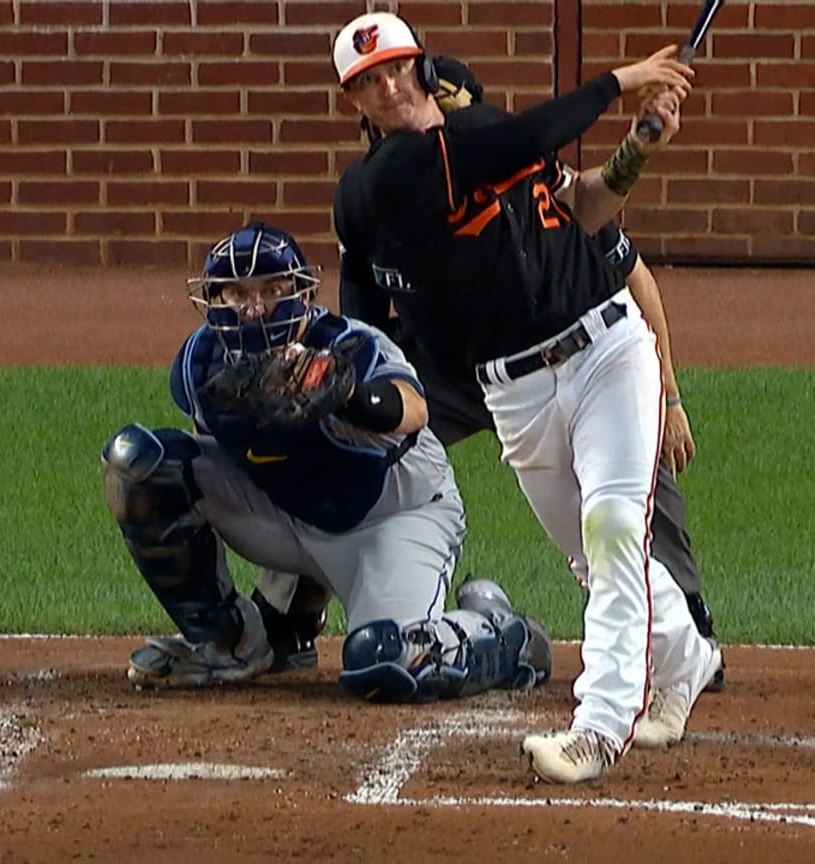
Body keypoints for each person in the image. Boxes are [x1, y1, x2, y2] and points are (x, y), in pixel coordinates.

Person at [329, 12, 722, 782]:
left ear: (422, 67)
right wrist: (622, 80)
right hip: (512, 391)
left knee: (612, 528)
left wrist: (639, 143)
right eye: (367, 82)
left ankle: (598, 729)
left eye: (397, 69)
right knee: (596, 555)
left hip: (607, 350)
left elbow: (586, 206)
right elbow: (527, 138)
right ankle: (689, 657)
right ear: (356, 104)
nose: (388, 87)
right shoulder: (399, 172)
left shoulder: (483, 141)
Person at [101, 221, 551, 704]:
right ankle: (231, 643)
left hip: (392, 517)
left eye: (272, 290)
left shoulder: (347, 344)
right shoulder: (199, 365)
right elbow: (220, 459)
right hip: (290, 515)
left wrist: (346, 394)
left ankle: (506, 635)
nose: (255, 309)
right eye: (236, 293)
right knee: (141, 467)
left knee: (385, 661)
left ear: (301, 294)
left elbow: (413, 410)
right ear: (213, 301)